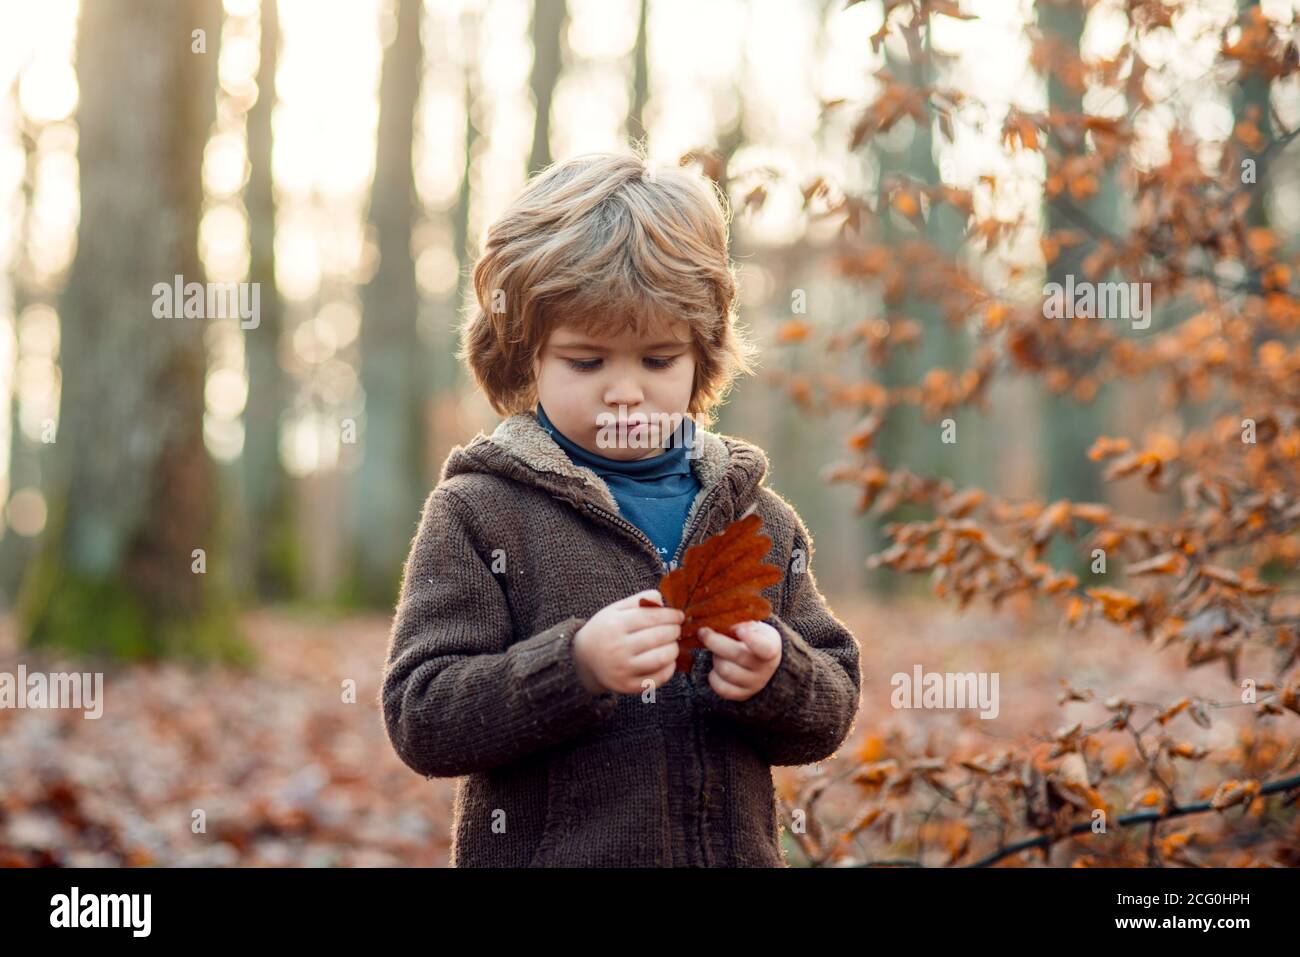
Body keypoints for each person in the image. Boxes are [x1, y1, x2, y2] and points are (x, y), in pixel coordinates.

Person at [380, 150, 861, 867]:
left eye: (658, 360)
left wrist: (776, 676)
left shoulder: (757, 518)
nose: (625, 391)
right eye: (586, 361)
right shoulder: (481, 513)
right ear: (525, 354)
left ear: (702, 356)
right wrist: (572, 666)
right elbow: (423, 714)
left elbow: (830, 699)